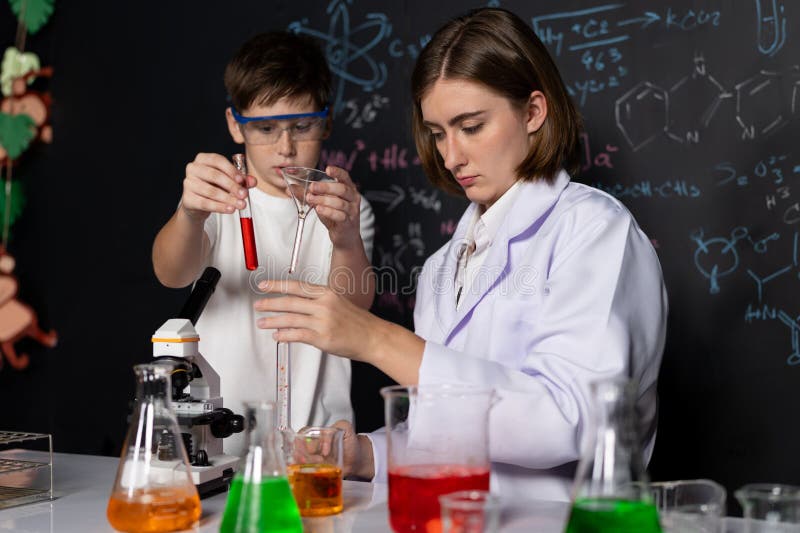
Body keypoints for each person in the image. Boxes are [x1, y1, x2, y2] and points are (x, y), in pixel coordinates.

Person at [255, 7, 667, 500]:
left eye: (470, 126)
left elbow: (571, 420)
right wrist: (366, 454)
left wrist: (375, 340)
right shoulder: (443, 266)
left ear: (534, 112)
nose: (451, 156)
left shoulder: (595, 231)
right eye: (437, 133)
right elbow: (452, 438)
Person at [152, 31, 375, 457]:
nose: (285, 147)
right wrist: (189, 213)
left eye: (302, 126)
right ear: (235, 125)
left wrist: (345, 238)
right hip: (220, 438)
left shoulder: (343, 208)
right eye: (266, 128)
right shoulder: (218, 197)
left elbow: (354, 307)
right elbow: (170, 272)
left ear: (326, 121)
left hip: (317, 444)